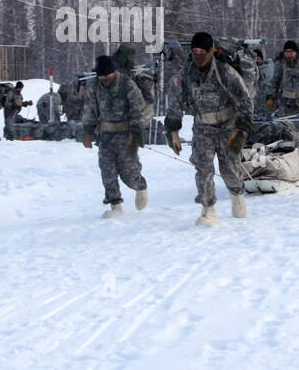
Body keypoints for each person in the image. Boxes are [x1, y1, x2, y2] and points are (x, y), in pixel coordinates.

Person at [164, 31, 253, 226]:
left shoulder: (225, 72)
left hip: (227, 125)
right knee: (203, 168)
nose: (199, 55)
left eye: (202, 50)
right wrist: (172, 130)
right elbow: (175, 103)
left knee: (229, 168)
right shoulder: (185, 75)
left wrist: (241, 131)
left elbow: (245, 102)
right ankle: (208, 209)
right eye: (195, 50)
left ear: (211, 51)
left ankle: (237, 194)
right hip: (203, 127)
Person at [82, 55, 150, 218]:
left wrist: (136, 134)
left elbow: (138, 110)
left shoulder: (127, 85)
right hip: (105, 136)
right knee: (107, 171)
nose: (104, 78)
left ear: (114, 72)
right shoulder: (94, 86)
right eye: (102, 75)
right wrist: (88, 131)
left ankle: (139, 185)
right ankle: (115, 205)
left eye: (107, 75)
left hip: (126, 135)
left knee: (128, 172)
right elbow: (91, 110)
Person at [268, 40, 299, 121]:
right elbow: (274, 81)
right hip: (284, 103)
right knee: (284, 127)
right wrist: (270, 97)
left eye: (291, 51)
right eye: (287, 51)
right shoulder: (280, 65)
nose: (288, 54)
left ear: (296, 52)